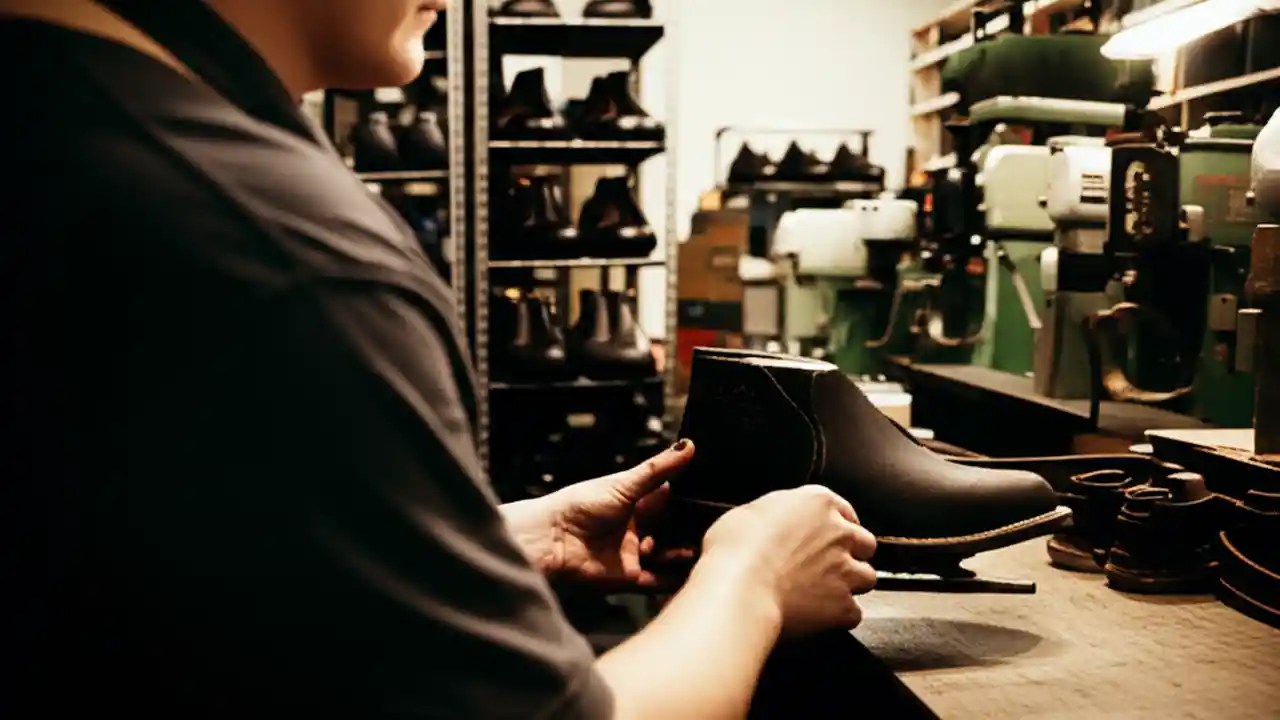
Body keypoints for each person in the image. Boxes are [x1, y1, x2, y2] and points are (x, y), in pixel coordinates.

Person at [0, 1, 878, 717]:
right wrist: (753, 576)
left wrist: (499, 537)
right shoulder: (284, 255)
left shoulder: (66, 119)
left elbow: (150, 569)